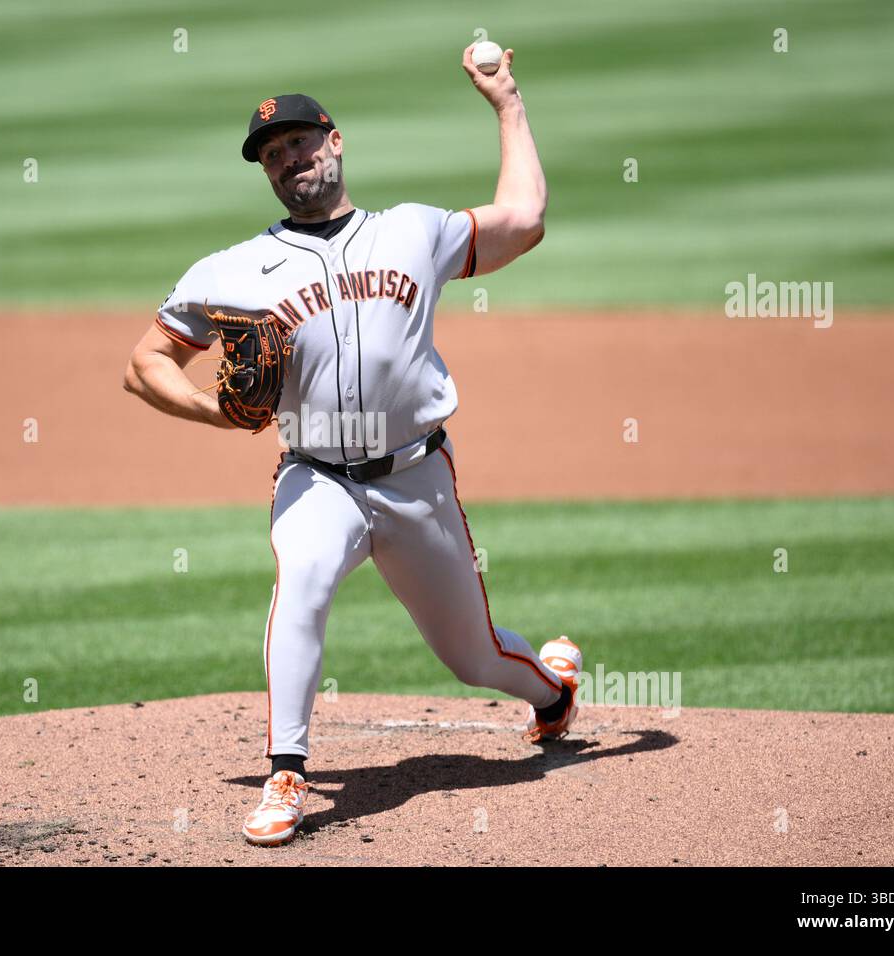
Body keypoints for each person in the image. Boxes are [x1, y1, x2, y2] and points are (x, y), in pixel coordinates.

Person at [124, 44, 582, 847]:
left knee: (474, 657)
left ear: (334, 142)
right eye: (272, 155)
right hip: (316, 478)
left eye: (299, 141)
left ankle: (553, 692)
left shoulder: (415, 232)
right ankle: (287, 773)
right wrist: (213, 412)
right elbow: (144, 363)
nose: (288, 159)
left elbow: (526, 220)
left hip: (416, 479)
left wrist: (507, 104)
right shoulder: (233, 270)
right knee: (301, 579)